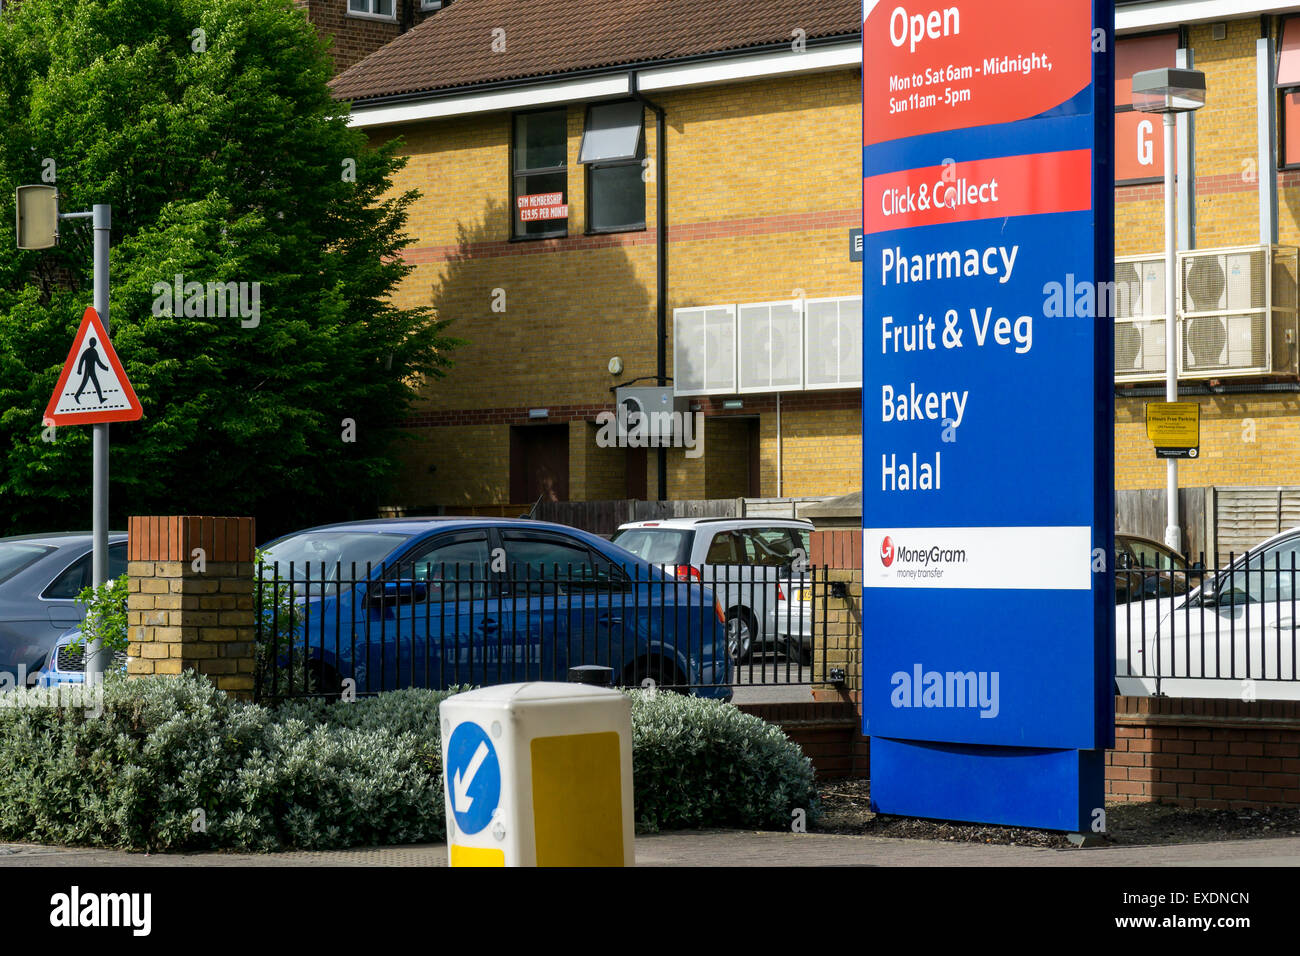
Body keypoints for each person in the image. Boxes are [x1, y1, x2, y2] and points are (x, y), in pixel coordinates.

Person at [73, 337, 110, 405]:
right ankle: (76, 396)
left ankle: (100, 399)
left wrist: (106, 368)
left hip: (91, 371)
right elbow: (82, 359)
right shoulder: (91, 351)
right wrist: (79, 369)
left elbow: (98, 362)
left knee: (95, 384)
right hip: (88, 371)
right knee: (85, 384)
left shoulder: (92, 351)